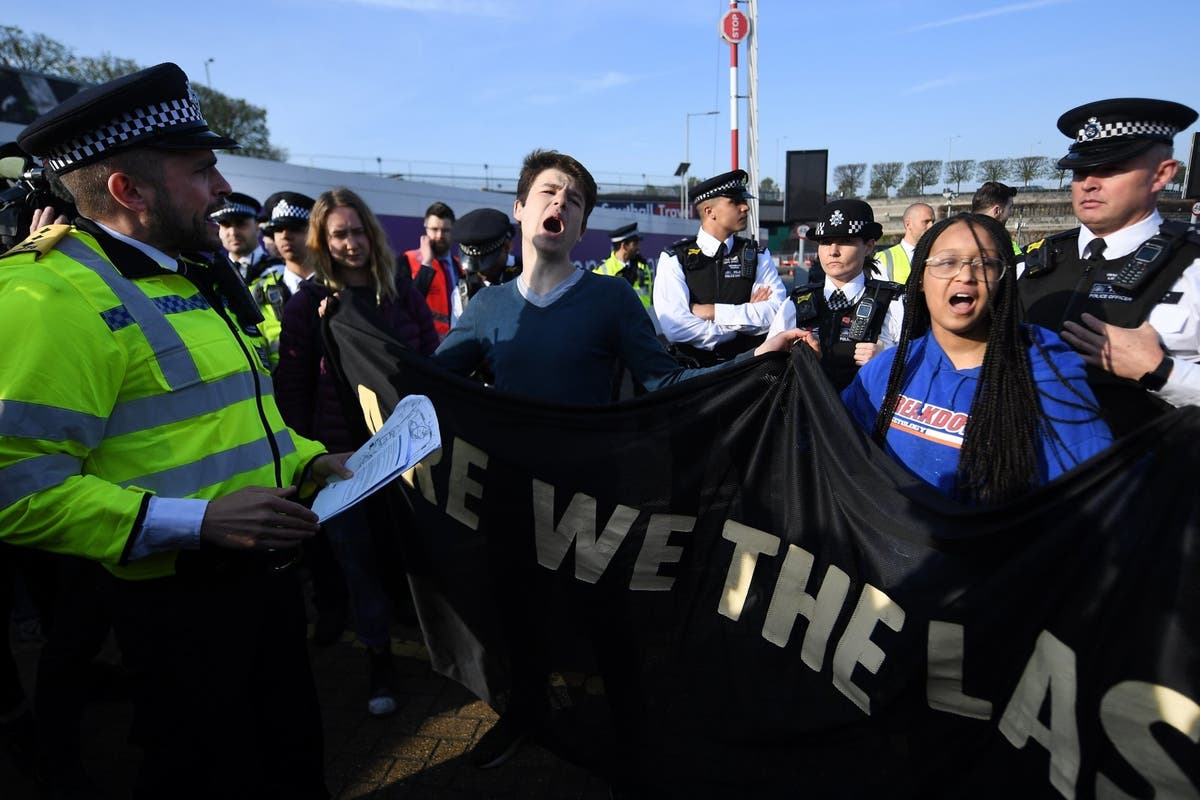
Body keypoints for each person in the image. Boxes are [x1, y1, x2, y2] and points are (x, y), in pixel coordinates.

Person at [4, 62, 351, 799]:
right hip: (176, 614)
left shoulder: (187, 270)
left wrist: (312, 460)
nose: (223, 188)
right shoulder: (44, 296)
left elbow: (229, 416)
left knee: (292, 765)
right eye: (200, 169)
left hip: (264, 586)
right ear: (128, 190)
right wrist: (197, 522)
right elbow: (16, 490)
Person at [431, 150, 808, 778]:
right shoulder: (487, 309)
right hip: (511, 497)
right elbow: (428, 383)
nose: (560, 202)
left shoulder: (609, 299)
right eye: (548, 192)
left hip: (590, 502)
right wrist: (350, 329)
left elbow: (665, 382)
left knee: (608, 623)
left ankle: (632, 745)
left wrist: (755, 358)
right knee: (519, 614)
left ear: (582, 227)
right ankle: (525, 713)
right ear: (520, 209)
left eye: (574, 199)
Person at [274, 187, 438, 717]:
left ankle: (434, 645)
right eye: (339, 234)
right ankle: (378, 658)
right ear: (323, 242)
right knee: (359, 564)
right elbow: (293, 389)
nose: (351, 243)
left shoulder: (400, 290)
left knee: (408, 556)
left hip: (406, 455)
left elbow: (432, 360)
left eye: (358, 230)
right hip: (343, 462)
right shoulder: (308, 305)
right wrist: (309, 461)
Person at [843, 213, 1112, 504]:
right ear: (920, 278)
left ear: (1003, 279)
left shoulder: (1044, 374)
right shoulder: (887, 369)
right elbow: (835, 450)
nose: (965, 276)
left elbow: (1094, 501)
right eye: (947, 262)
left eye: (984, 264)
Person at [1020, 97, 1200, 437]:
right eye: (1079, 171)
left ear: (1162, 174)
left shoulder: (1193, 267)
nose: (1089, 183)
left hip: (1146, 466)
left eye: (1110, 169)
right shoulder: (1035, 262)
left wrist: (1160, 372)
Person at [653, 169, 786, 366]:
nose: (745, 207)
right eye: (735, 202)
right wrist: (742, 322)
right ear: (710, 212)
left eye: (744, 201)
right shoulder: (675, 258)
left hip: (747, 371)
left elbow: (775, 313)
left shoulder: (757, 254)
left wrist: (712, 312)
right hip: (694, 373)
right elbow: (676, 328)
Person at [768, 199, 904, 391]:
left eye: (845, 241)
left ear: (868, 246)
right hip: (808, 408)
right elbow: (768, 370)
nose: (833, 251)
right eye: (825, 242)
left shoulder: (893, 302)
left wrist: (886, 360)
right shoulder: (795, 303)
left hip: (866, 409)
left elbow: (921, 371)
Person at [250, 191, 316, 369]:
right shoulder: (256, 292)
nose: (285, 235)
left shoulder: (337, 286)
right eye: (278, 229)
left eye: (295, 228)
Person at [404, 201, 461, 338]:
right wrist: (427, 264)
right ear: (426, 229)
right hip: (424, 340)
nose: (439, 236)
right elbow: (408, 305)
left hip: (455, 341)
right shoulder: (407, 261)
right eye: (434, 229)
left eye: (445, 230)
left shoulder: (461, 267)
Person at [453, 206, 518, 316]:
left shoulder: (526, 276)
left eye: (489, 263)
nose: (480, 272)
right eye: (474, 266)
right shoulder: (463, 291)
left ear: (507, 246)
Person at [212, 191, 280, 282]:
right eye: (226, 225)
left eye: (240, 224)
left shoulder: (279, 271)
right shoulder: (213, 273)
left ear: (257, 227)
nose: (233, 232)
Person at [594, 222, 653, 309]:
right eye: (635, 244)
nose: (638, 247)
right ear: (624, 246)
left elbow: (647, 299)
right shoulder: (601, 271)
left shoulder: (642, 266)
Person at [874, 202, 934, 283]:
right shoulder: (883, 258)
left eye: (933, 222)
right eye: (926, 222)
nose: (931, 226)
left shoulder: (937, 255)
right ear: (908, 224)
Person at [971, 181, 1021, 255]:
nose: (1011, 213)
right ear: (997, 211)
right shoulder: (1004, 245)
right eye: (1010, 208)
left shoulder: (957, 237)